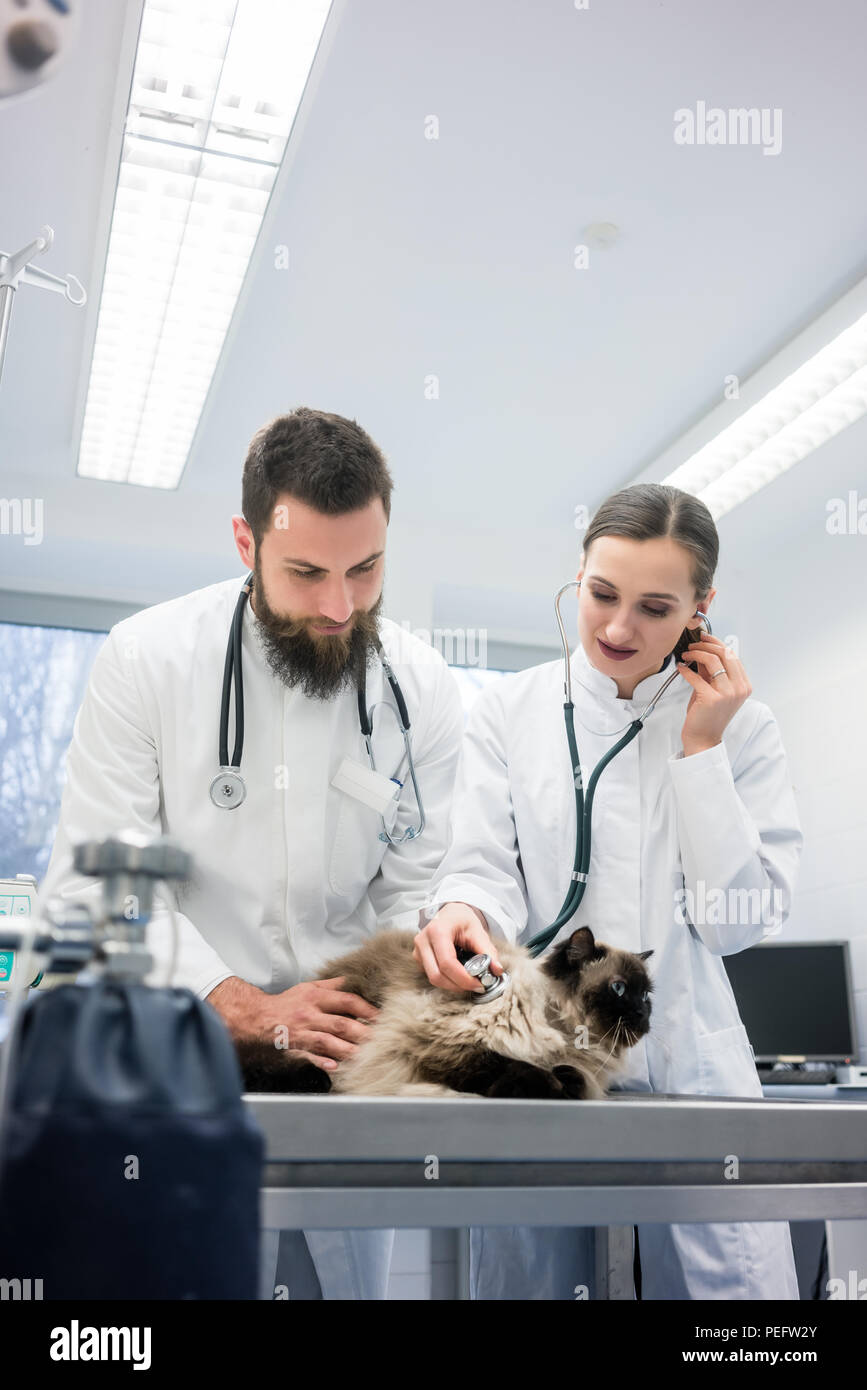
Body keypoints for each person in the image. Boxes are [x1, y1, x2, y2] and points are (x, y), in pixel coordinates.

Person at [39, 406, 464, 1300]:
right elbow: (92, 882)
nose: (339, 606)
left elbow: (420, 886)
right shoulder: (147, 659)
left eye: (366, 568)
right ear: (246, 541)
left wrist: (374, 1005)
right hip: (188, 1060)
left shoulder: (420, 687)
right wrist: (229, 999)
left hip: (346, 1065)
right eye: (306, 572)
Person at [415, 482, 803, 1300]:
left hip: (689, 1069)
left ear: (701, 608)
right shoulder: (510, 710)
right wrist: (461, 909)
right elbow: (481, 867)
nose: (619, 628)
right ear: (578, 577)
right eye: (600, 595)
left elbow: (736, 924)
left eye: (656, 607)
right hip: (542, 1058)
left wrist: (701, 751)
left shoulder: (743, 727)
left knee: (733, 1328)